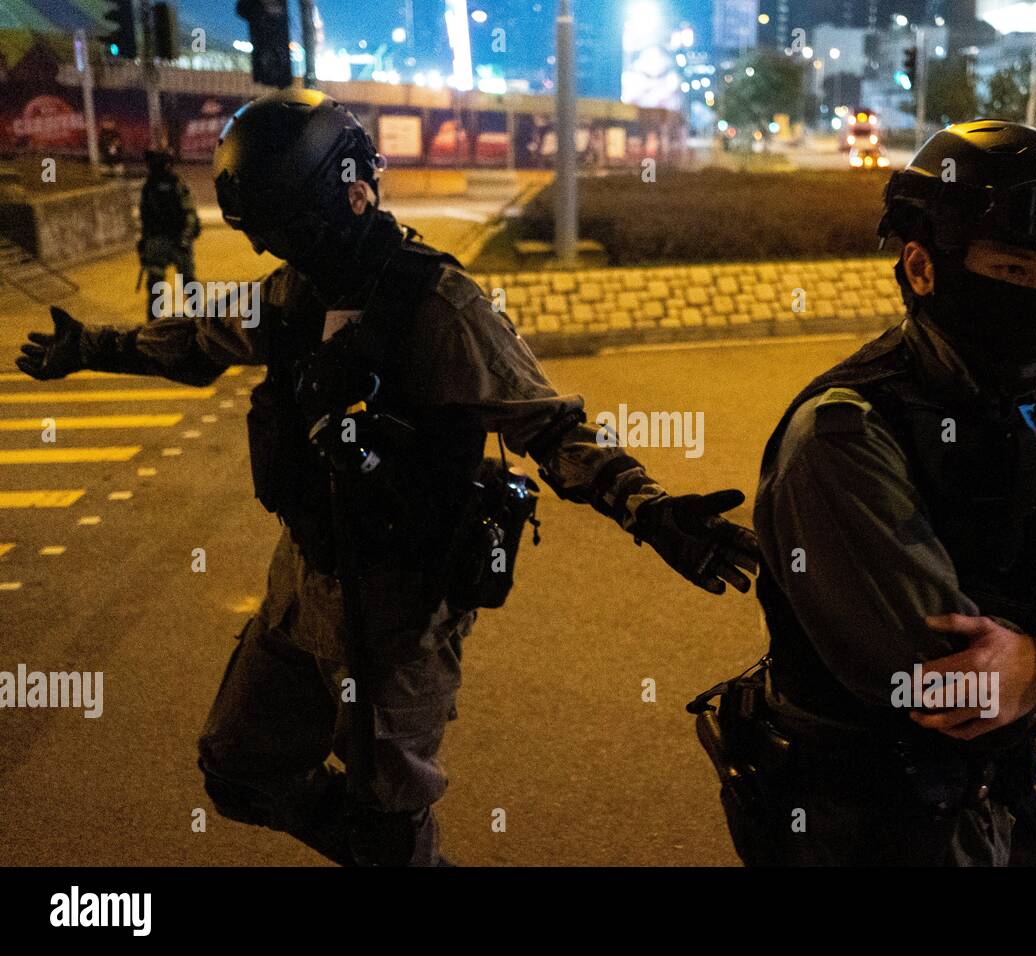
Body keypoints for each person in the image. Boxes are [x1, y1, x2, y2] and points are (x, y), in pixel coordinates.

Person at [15, 88, 758, 866]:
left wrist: (650, 508)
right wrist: (93, 347)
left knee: (390, 823)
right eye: (267, 236)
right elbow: (204, 341)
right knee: (238, 771)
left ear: (353, 189)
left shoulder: (441, 306)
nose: (276, 253)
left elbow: (550, 424)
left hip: (404, 607)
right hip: (303, 584)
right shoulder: (297, 290)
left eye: (289, 229)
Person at [689, 120, 1036, 866]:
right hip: (867, 826)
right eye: (1013, 271)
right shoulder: (844, 434)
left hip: (989, 804)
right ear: (922, 267)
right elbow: (955, 685)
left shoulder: (1021, 403)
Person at [138, 146, 200, 321]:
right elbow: (189, 212)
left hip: (161, 242)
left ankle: (153, 325)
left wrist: (145, 243)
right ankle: (201, 321)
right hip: (169, 241)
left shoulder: (150, 186)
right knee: (186, 282)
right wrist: (186, 238)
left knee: (160, 285)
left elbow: (144, 219)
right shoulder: (173, 183)